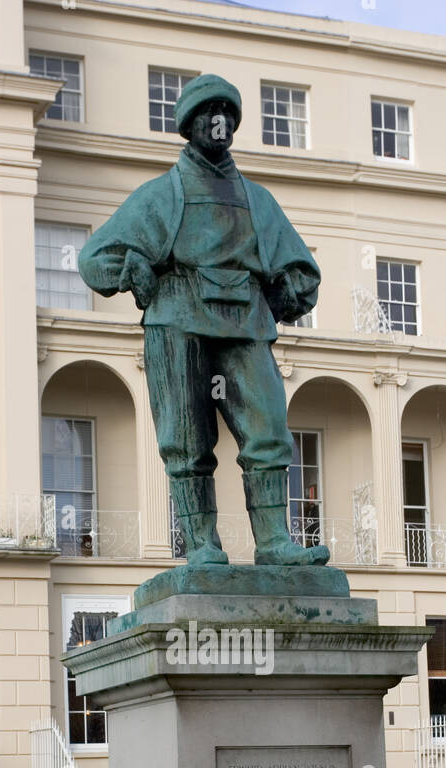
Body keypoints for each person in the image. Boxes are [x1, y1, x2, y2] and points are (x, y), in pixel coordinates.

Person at [78, 73, 330, 566]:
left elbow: (304, 273)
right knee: (187, 438)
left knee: (267, 430)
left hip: (247, 326)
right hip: (177, 321)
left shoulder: (257, 199)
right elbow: (94, 260)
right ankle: (201, 545)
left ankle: (276, 542)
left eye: (226, 116)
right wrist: (134, 269)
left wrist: (288, 289)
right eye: (208, 115)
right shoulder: (160, 195)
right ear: (188, 124)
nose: (218, 124)